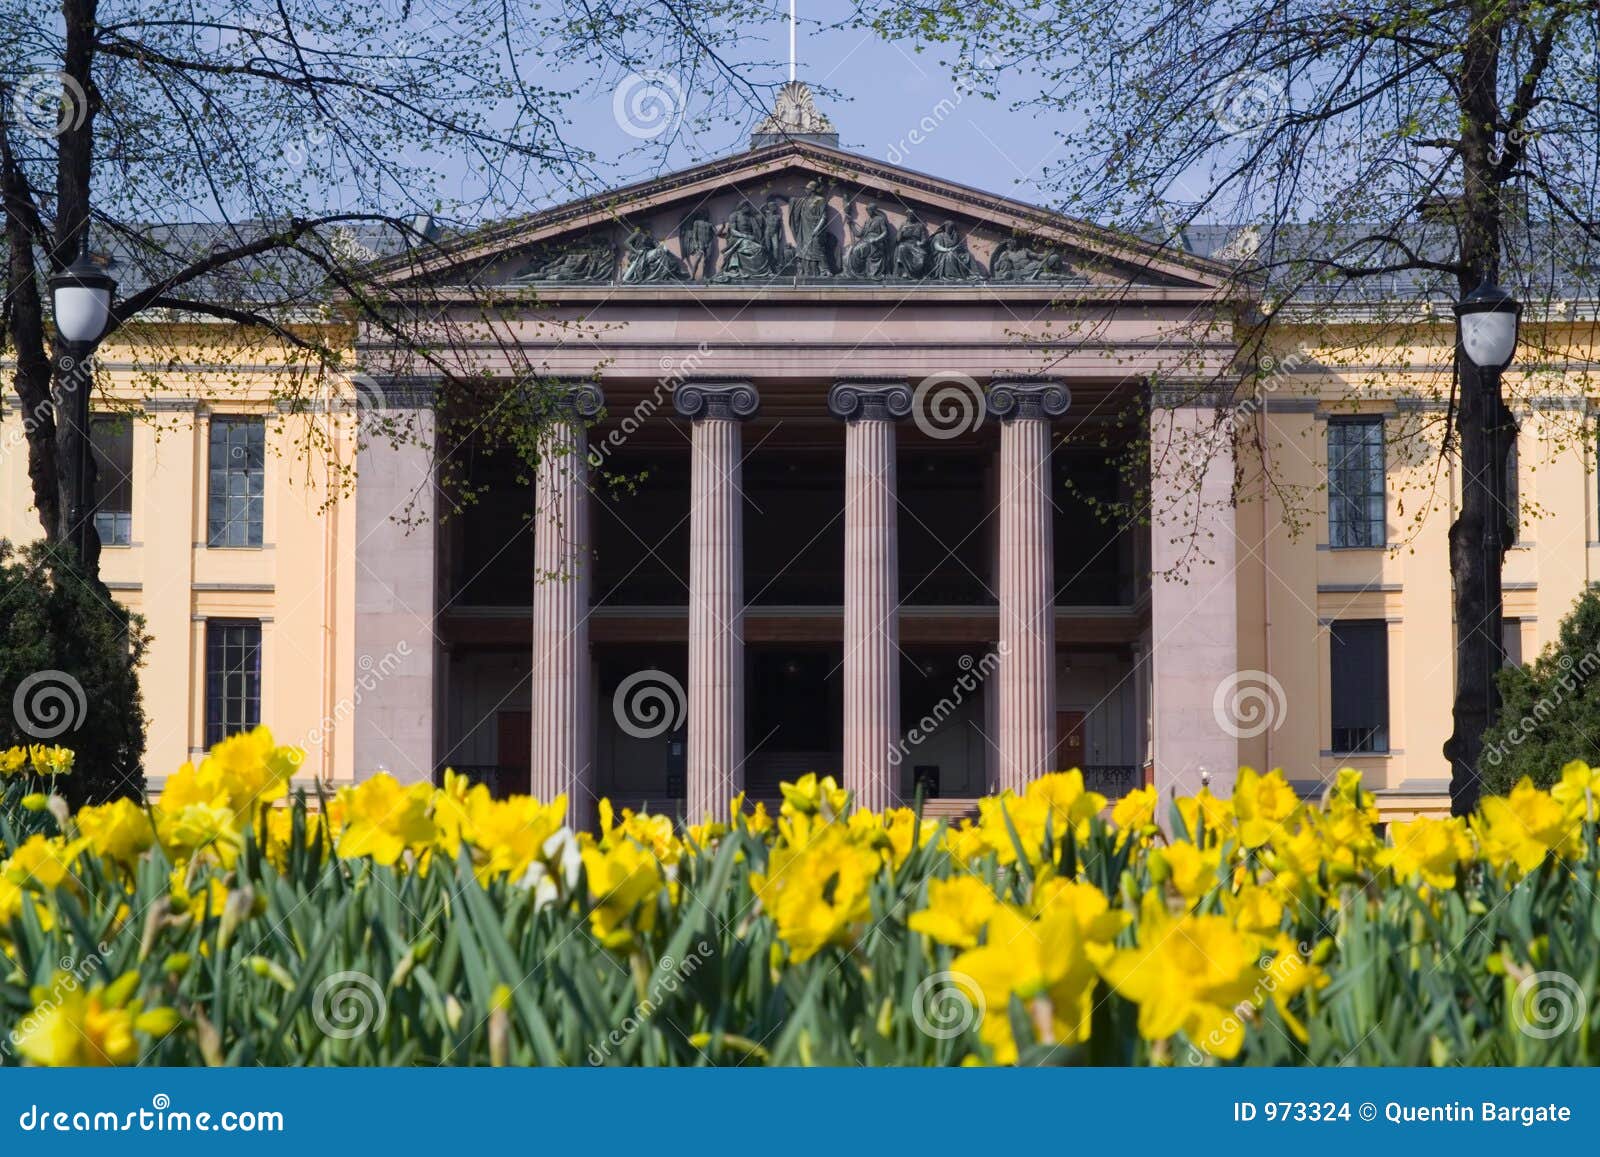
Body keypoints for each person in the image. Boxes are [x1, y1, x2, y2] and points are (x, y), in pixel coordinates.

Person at [843, 202, 894, 279]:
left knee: (857, 249)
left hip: (876, 242)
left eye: (869, 210)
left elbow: (885, 232)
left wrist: (876, 239)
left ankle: (861, 273)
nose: (868, 212)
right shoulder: (867, 221)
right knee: (852, 250)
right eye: (867, 210)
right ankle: (858, 273)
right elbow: (859, 234)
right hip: (866, 240)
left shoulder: (880, 219)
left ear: (873, 210)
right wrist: (851, 224)